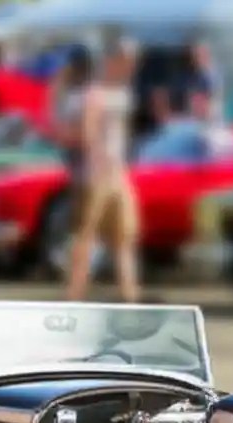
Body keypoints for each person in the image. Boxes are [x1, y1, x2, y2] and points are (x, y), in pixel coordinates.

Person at [65, 38, 141, 304]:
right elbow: (88, 132)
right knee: (86, 234)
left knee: (125, 235)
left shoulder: (122, 94)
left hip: (118, 173)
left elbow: (123, 134)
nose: (129, 67)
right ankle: (74, 294)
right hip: (96, 174)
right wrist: (98, 161)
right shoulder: (94, 93)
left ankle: (129, 296)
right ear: (111, 61)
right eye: (125, 61)